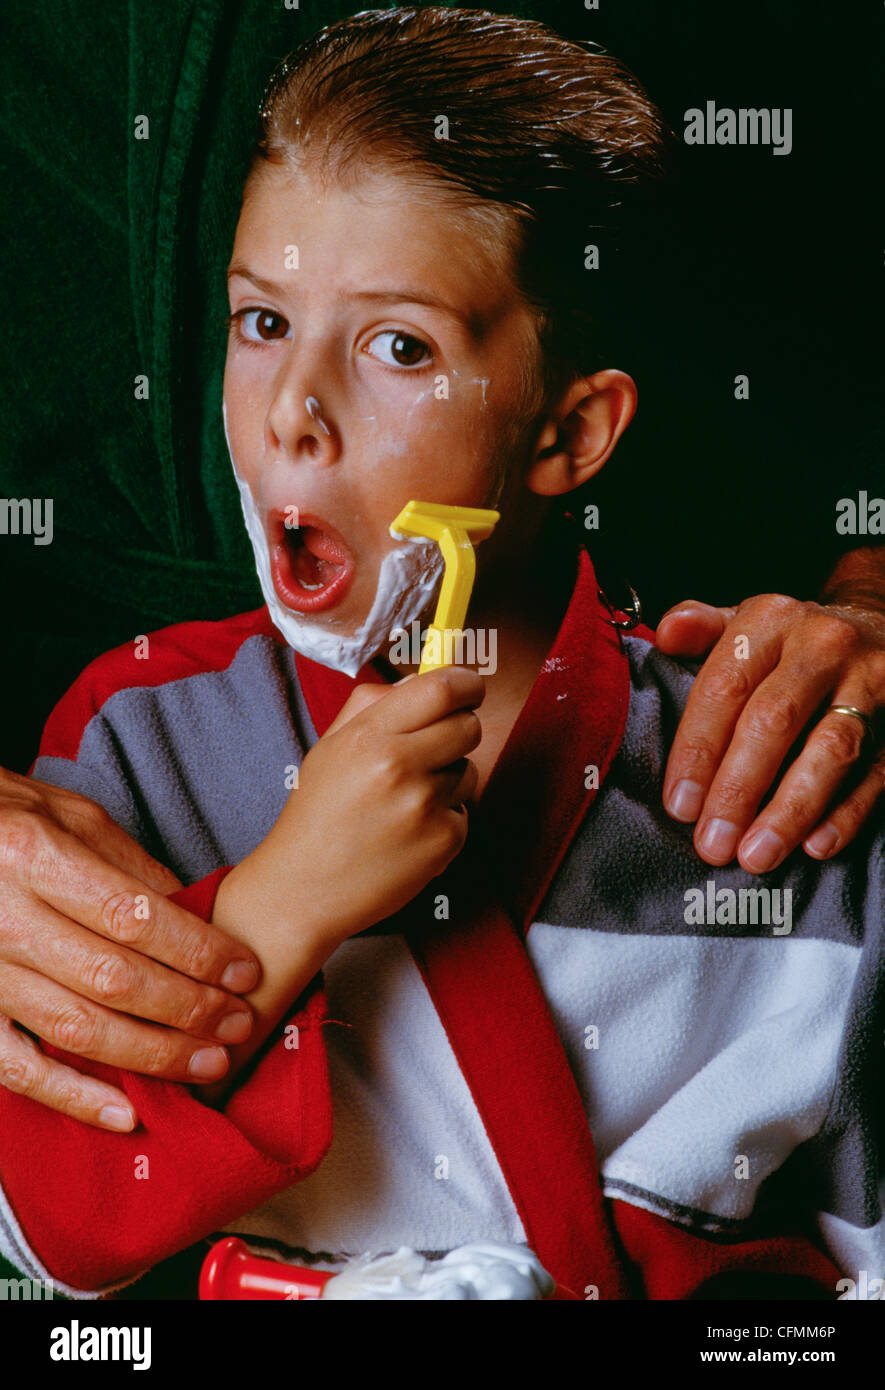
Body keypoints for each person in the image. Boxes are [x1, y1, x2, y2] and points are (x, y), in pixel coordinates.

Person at [0, 9, 881, 1300]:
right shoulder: (139, 740)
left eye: (397, 345)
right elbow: (46, 1224)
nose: (295, 411)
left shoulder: (755, 788)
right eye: (258, 324)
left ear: (572, 433)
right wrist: (279, 907)